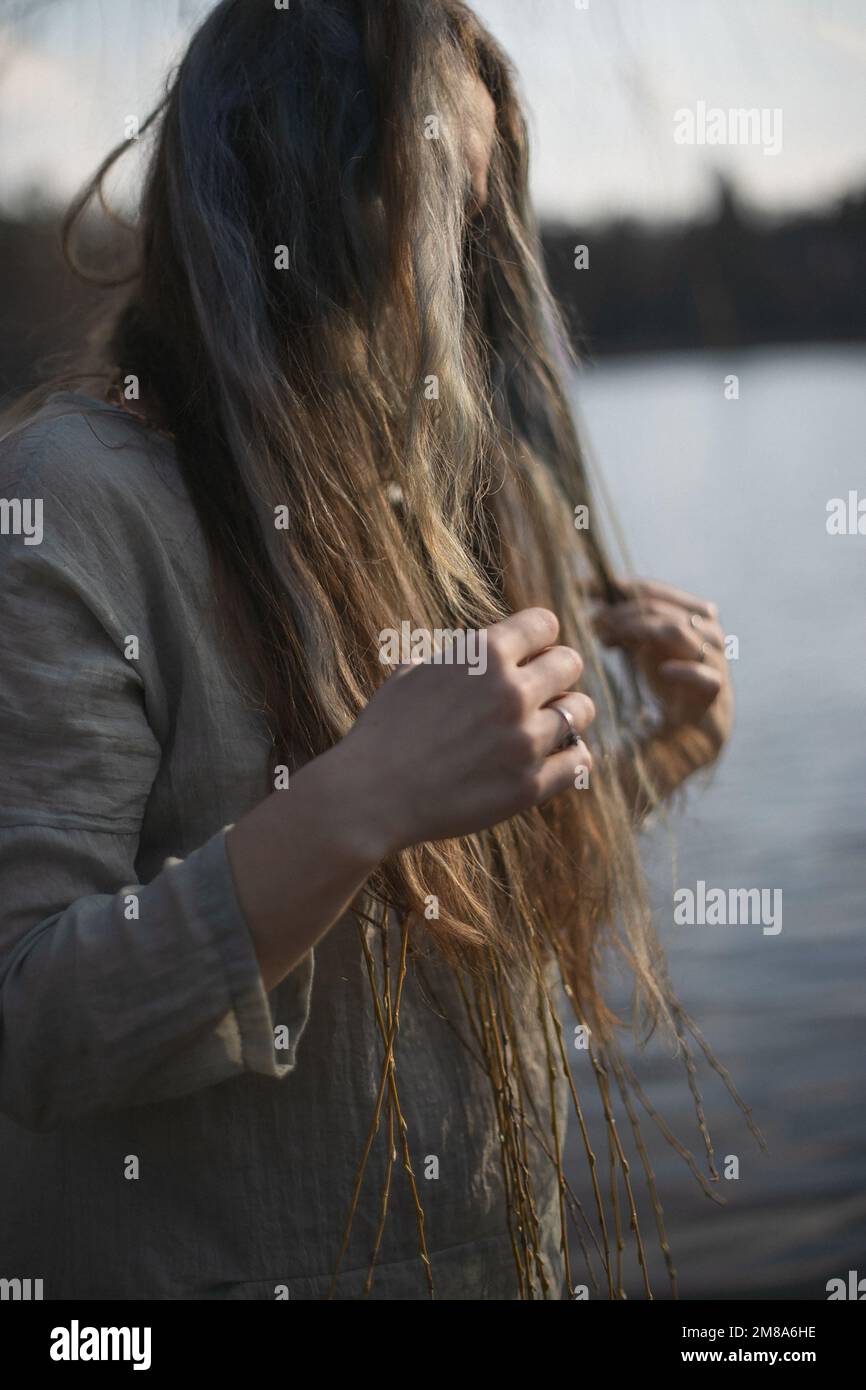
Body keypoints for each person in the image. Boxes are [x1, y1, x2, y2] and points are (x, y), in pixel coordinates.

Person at [0, 0, 733, 1300]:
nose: (476, 266)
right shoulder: (79, 495)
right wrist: (354, 798)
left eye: (487, 199)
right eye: (436, 193)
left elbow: (439, 913)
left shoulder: (453, 498)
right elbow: (36, 1023)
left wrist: (650, 757)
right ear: (293, 185)